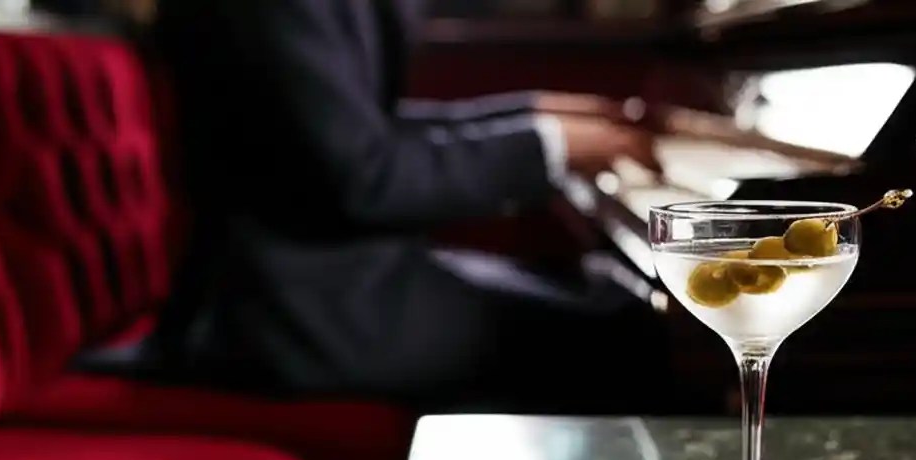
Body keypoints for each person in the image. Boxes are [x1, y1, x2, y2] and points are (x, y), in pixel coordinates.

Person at [146, 0, 674, 412]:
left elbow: (358, 132)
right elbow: (365, 179)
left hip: (333, 275)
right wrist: (552, 143)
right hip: (296, 309)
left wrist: (534, 114)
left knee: (605, 298)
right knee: (634, 336)